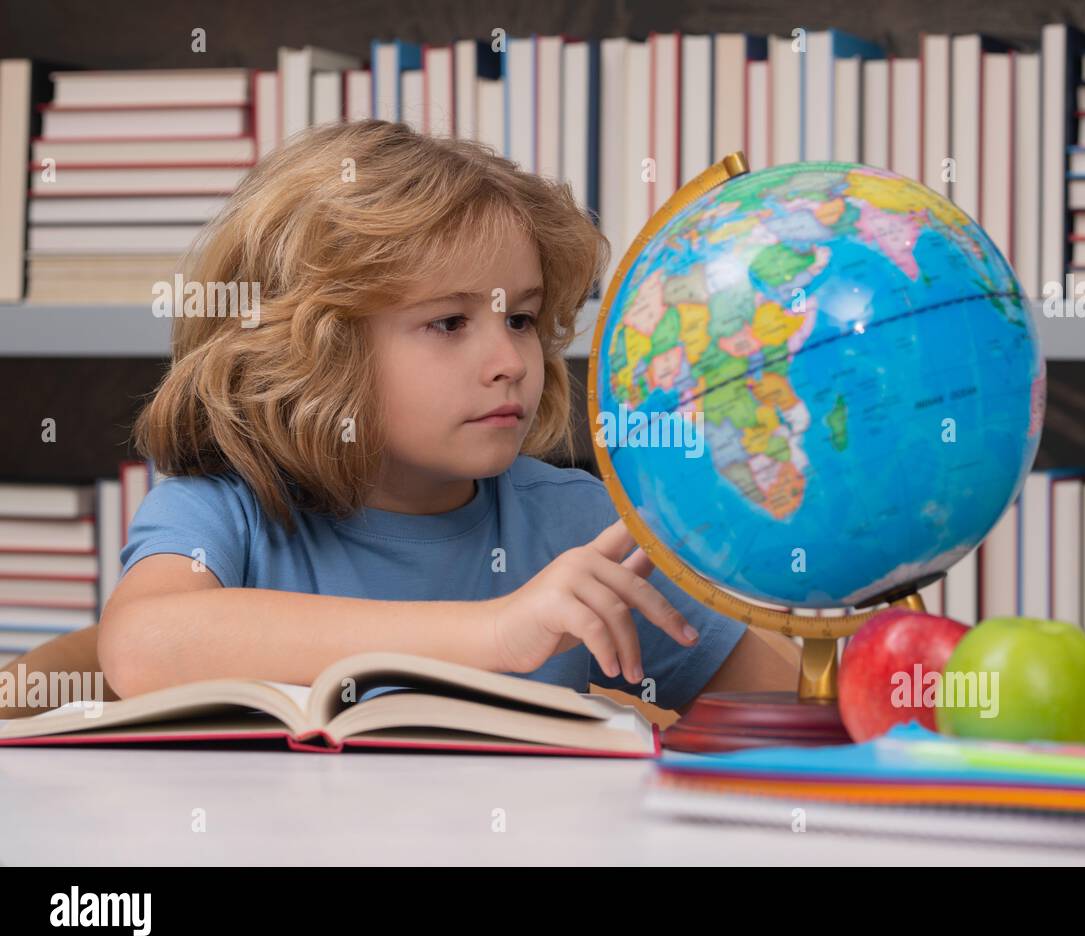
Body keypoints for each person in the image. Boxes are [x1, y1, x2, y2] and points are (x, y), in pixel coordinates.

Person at [92, 120, 796, 714]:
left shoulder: (579, 528)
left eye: (520, 318)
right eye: (450, 322)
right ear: (315, 349)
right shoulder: (224, 514)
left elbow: (793, 700)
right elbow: (143, 645)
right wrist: (497, 631)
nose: (512, 361)